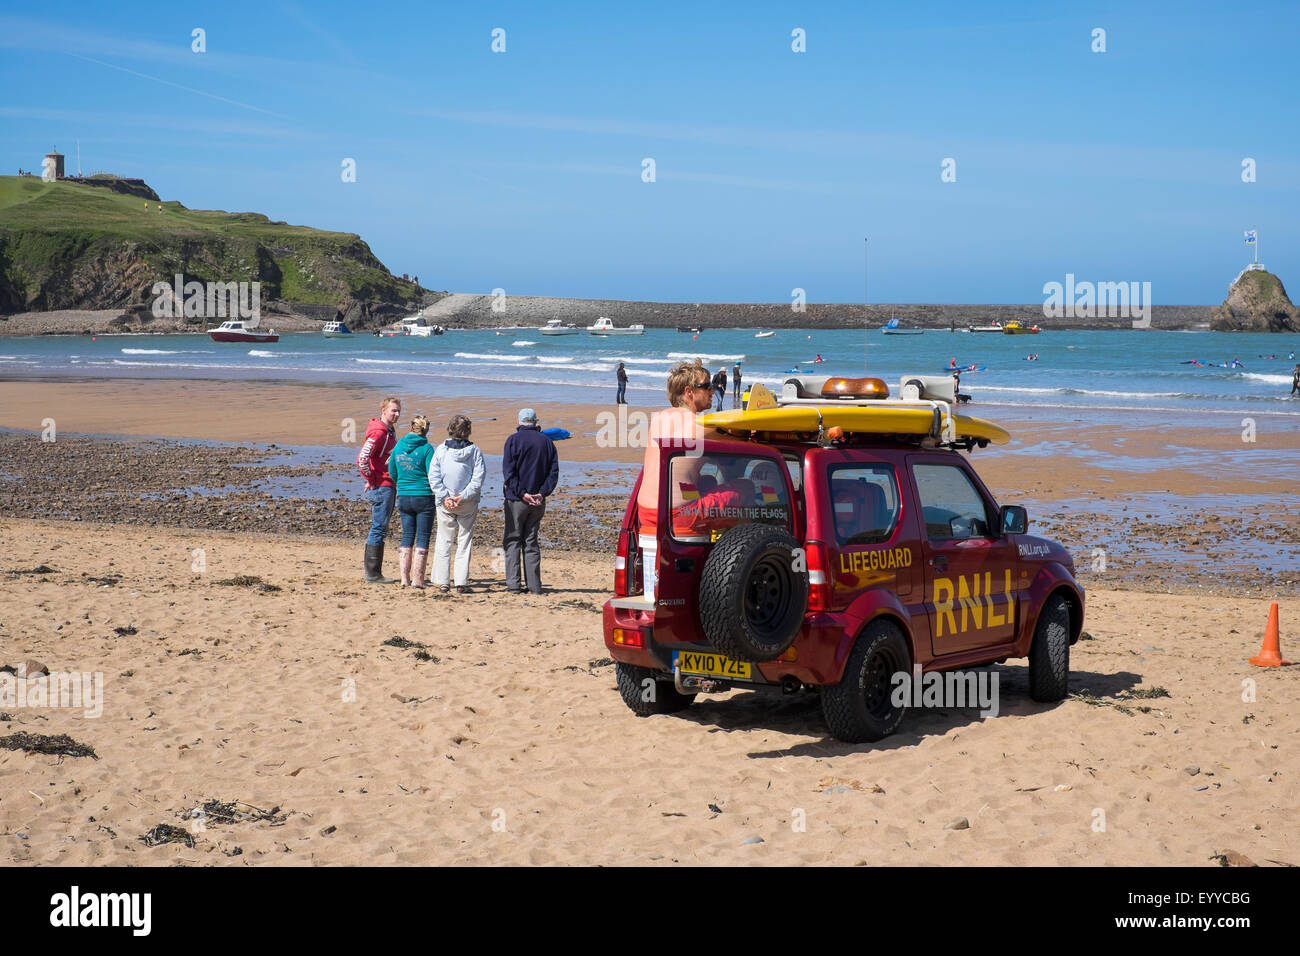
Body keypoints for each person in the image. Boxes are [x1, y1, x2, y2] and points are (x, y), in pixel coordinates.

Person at [636, 361, 714, 598]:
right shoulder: (702, 426)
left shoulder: (658, 420)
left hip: (646, 512)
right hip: (679, 515)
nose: (713, 391)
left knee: (654, 593)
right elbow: (733, 456)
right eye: (708, 386)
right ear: (689, 392)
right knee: (745, 489)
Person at [502, 408, 559, 594]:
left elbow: (509, 474)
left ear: (519, 422)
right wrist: (541, 493)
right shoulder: (547, 442)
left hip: (519, 500)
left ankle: (514, 585)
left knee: (513, 540)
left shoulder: (514, 440)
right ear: (535, 422)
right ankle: (534, 586)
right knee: (530, 540)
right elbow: (553, 474)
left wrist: (527, 494)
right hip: (534, 500)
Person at [430, 414, 486, 593]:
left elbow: (434, 476)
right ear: (468, 431)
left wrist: (446, 496)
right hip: (466, 502)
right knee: (464, 541)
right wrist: (461, 496)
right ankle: (461, 582)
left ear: (450, 429)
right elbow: (478, 479)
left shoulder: (441, 450)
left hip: (450, 501)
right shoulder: (475, 451)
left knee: (444, 540)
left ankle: (443, 581)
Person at [387, 414, 436, 588]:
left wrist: (401, 482)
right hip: (423, 495)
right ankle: (418, 579)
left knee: (407, 536)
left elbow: (392, 469)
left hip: (404, 495)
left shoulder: (399, 445)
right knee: (422, 537)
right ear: (426, 430)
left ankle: (404, 579)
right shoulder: (427, 448)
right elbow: (432, 474)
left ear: (411, 428)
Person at [357, 396, 401, 583]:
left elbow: (377, 459)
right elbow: (362, 458)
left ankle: (374, 573)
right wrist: (371, 478)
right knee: (378, 528)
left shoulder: (389, 431)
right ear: (383, 411)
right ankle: (373, 574)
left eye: (399, 411)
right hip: (382, 486)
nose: (397, 414)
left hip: (385, 484)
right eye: (393, 411)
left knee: (380, 527)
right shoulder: (379, 432)